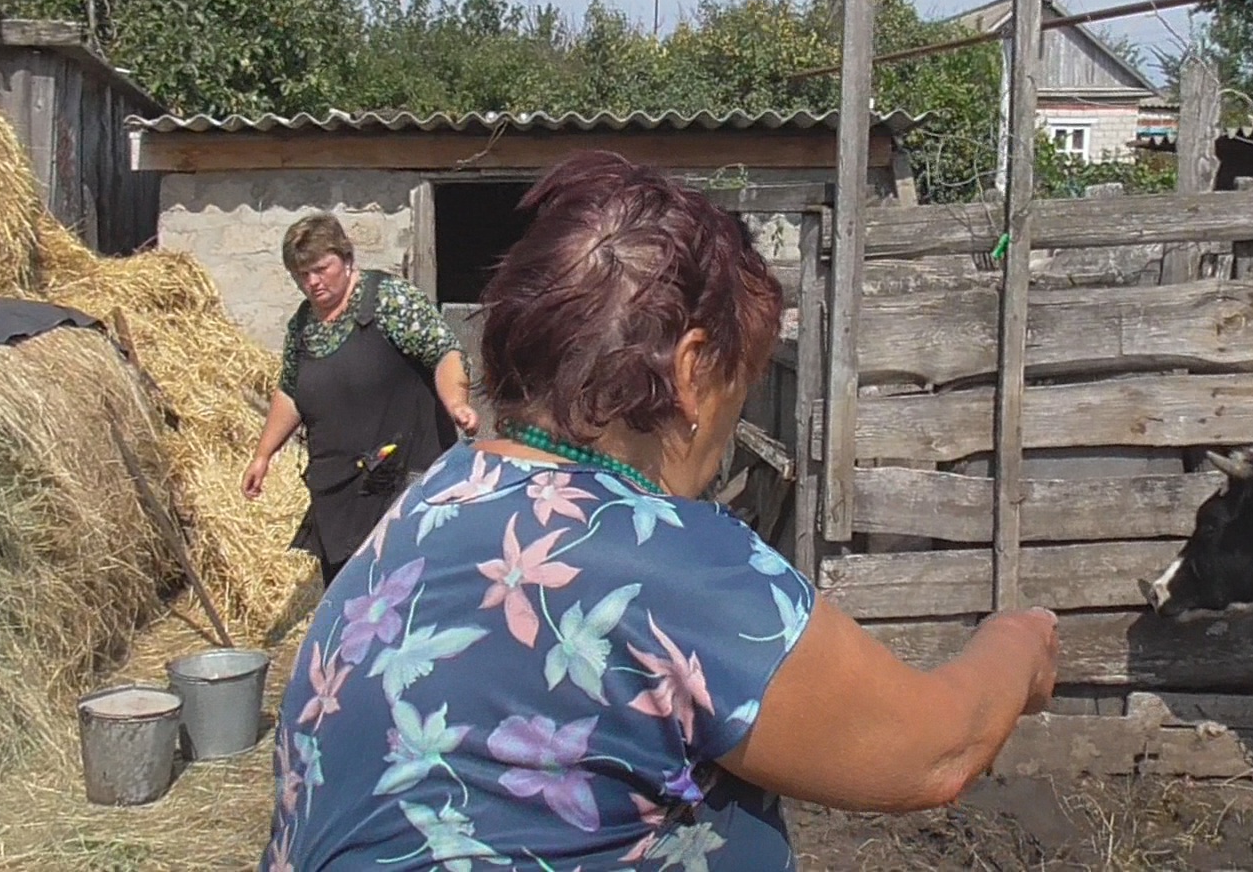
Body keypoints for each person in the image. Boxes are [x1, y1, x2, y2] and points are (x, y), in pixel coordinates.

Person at [259, 150, 1059, 872]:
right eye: (735, 389)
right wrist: (1016, 646)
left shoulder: (430, 501)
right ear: (688, 374)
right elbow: (931, 754)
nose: (723, 430)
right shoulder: (663, 559)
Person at [244, 213, 481, 586]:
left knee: (408, 592)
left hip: (403, 479)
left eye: (322, 269)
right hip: (338, 489)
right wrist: (263, 454)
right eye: (301, 275)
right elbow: (291, 390)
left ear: (346, 257)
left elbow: (444, 352)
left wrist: (456, 403)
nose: (312, 282)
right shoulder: (304, 326)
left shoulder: (388, 299)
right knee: (350, 597)